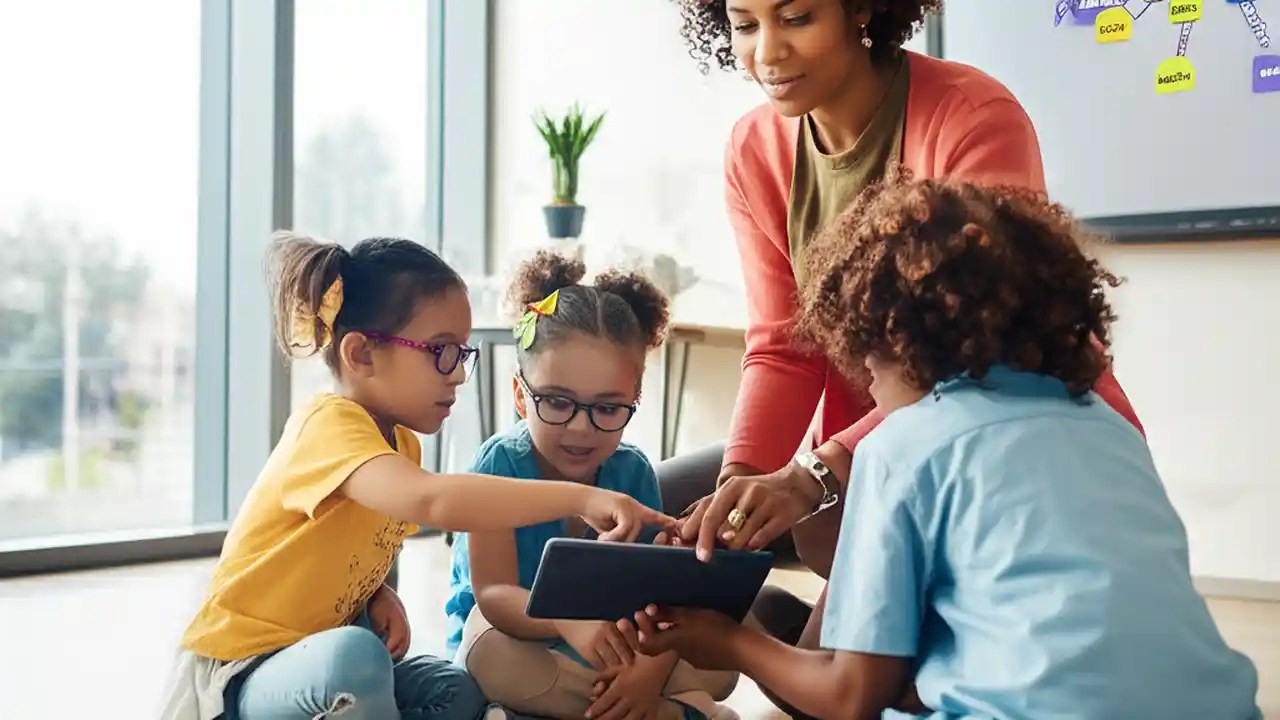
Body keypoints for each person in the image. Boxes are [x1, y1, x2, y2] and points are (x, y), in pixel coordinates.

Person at [624, 180, 1262, 719]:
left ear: (900, 344)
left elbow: (848, 697)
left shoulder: (902, 446)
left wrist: (729, 643)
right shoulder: (1110, 427)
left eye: (864, 358)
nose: (865, 383)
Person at [660, 0, 1143, 661]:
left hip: (998, 439)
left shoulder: (971, 117)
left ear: (862, 10)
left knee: (836, 687)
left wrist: (815, 474)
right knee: (655, 507)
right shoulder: (753, 148)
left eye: (797, 18)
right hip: (869, 449)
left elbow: (985, 352)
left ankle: (835, 647)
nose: (767, 52)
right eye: (746, 24)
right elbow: (783, 344)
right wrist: (736, 488)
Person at [160, 235, 673, 720]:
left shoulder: (400, 440)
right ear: (361, 353)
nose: (456, 373)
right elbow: (432, 501)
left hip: (318, 653)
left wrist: (377, 594)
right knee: (355, 659)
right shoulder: (329, 427)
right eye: (441, 352)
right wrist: (582, 495)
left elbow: (341, 544)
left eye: (462, 354)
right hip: (243, 671)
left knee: (456, 691)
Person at [447, 251, 738, 720]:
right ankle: (668, 713)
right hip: (521, 639)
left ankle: (626, 704)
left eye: (607, 409)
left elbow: (657, 595)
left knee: (721, 665)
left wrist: (646, 672)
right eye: (558, 403)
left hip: (604, 647)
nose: (581, 429)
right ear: (522, 396)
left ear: (634, 400)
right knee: (489, 656)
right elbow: (495, 594)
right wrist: (567, 621)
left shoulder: (633, 472)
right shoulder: (498, 463)